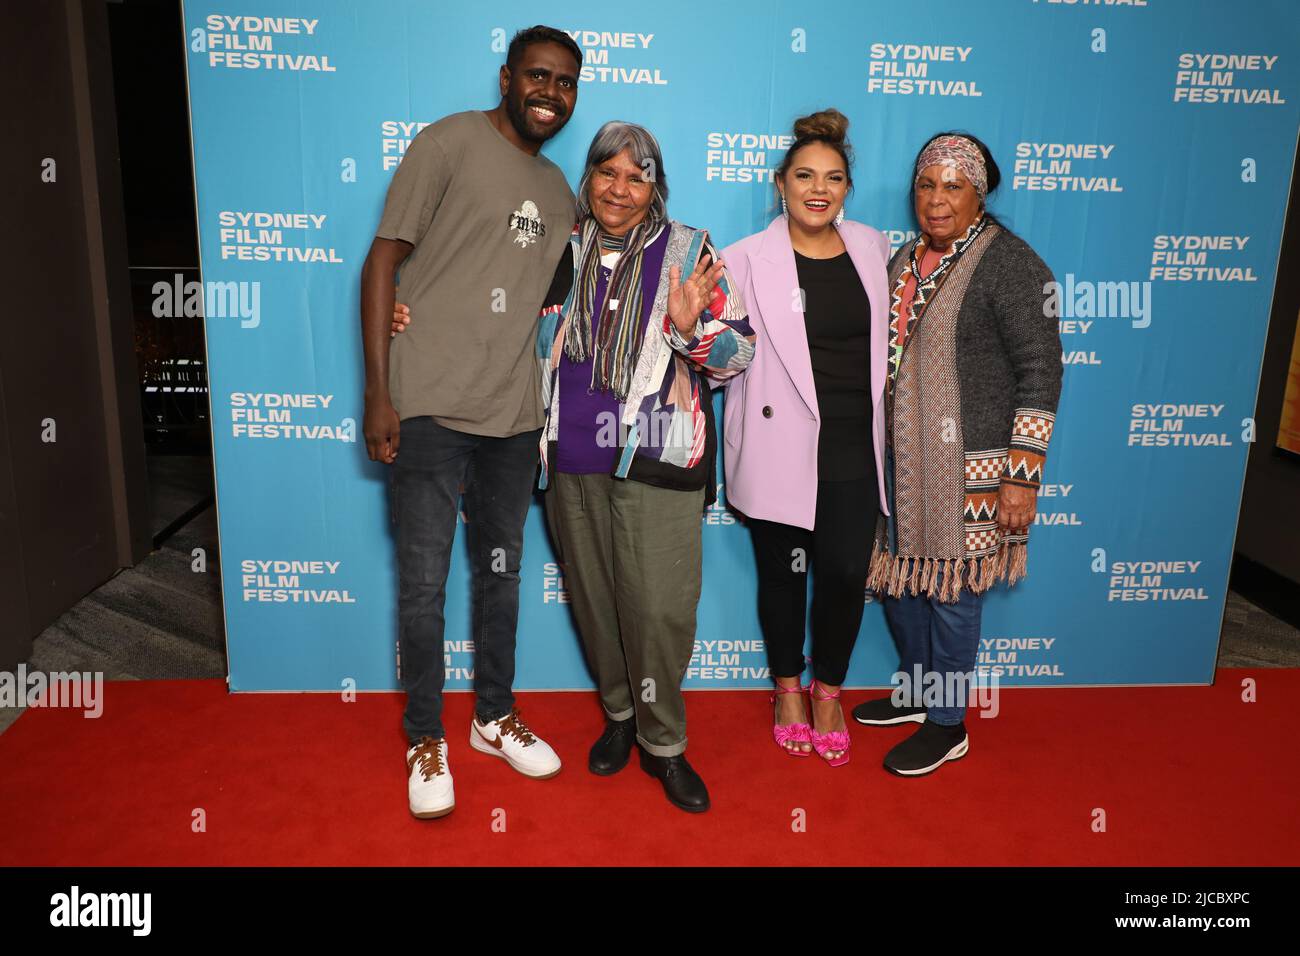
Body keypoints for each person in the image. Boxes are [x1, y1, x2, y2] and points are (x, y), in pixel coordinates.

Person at [395, 121, 755, 812]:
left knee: (658, 612)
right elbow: (485, 302)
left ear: (656, 185)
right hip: (569, 458)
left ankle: (664, 742)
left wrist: (692, 329)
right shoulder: (556, 246)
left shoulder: (690, 250)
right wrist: (406, 311)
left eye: (637, 175)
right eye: (606, 173)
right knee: (594, 602)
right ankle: (620, 718)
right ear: (587, 180)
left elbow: (740, 354)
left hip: (659, 460)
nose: (620, 188)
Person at [360, 25, 583, 820]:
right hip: (425, 405)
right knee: (422, 587)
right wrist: (379, 393)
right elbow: (383, 258)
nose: (549, 93)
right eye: (538, 76)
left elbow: (548, 289)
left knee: (500, 576)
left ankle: (493, 716)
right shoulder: (446, 144)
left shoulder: (561, 192)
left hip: (511, 417)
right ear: (508, 76)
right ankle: (426, 735)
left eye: (564, 83)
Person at [851, 132, 1063, 777]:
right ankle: (917, 694)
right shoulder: (902, 261)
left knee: (951, 595)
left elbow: (1041, 370)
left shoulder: (1010, 263)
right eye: (926, 184)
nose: (936, 200)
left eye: (953, 185)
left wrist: (1021, 479)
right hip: (899, 461)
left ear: (980, 193)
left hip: (971, 464)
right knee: (900, 586)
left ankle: (947, 724)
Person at [717, 109, 890, 767]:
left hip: (852, 440)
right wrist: (691, 332)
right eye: (806, 176)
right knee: (782, 575)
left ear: (847, 188)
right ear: (780, 183)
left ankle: (829, 690)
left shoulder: (874, 250)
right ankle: (787, 689)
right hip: (777, 440)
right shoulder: (742, 259)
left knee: (845, 574)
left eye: (834, 177)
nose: (820, 188)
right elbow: (719, 358)